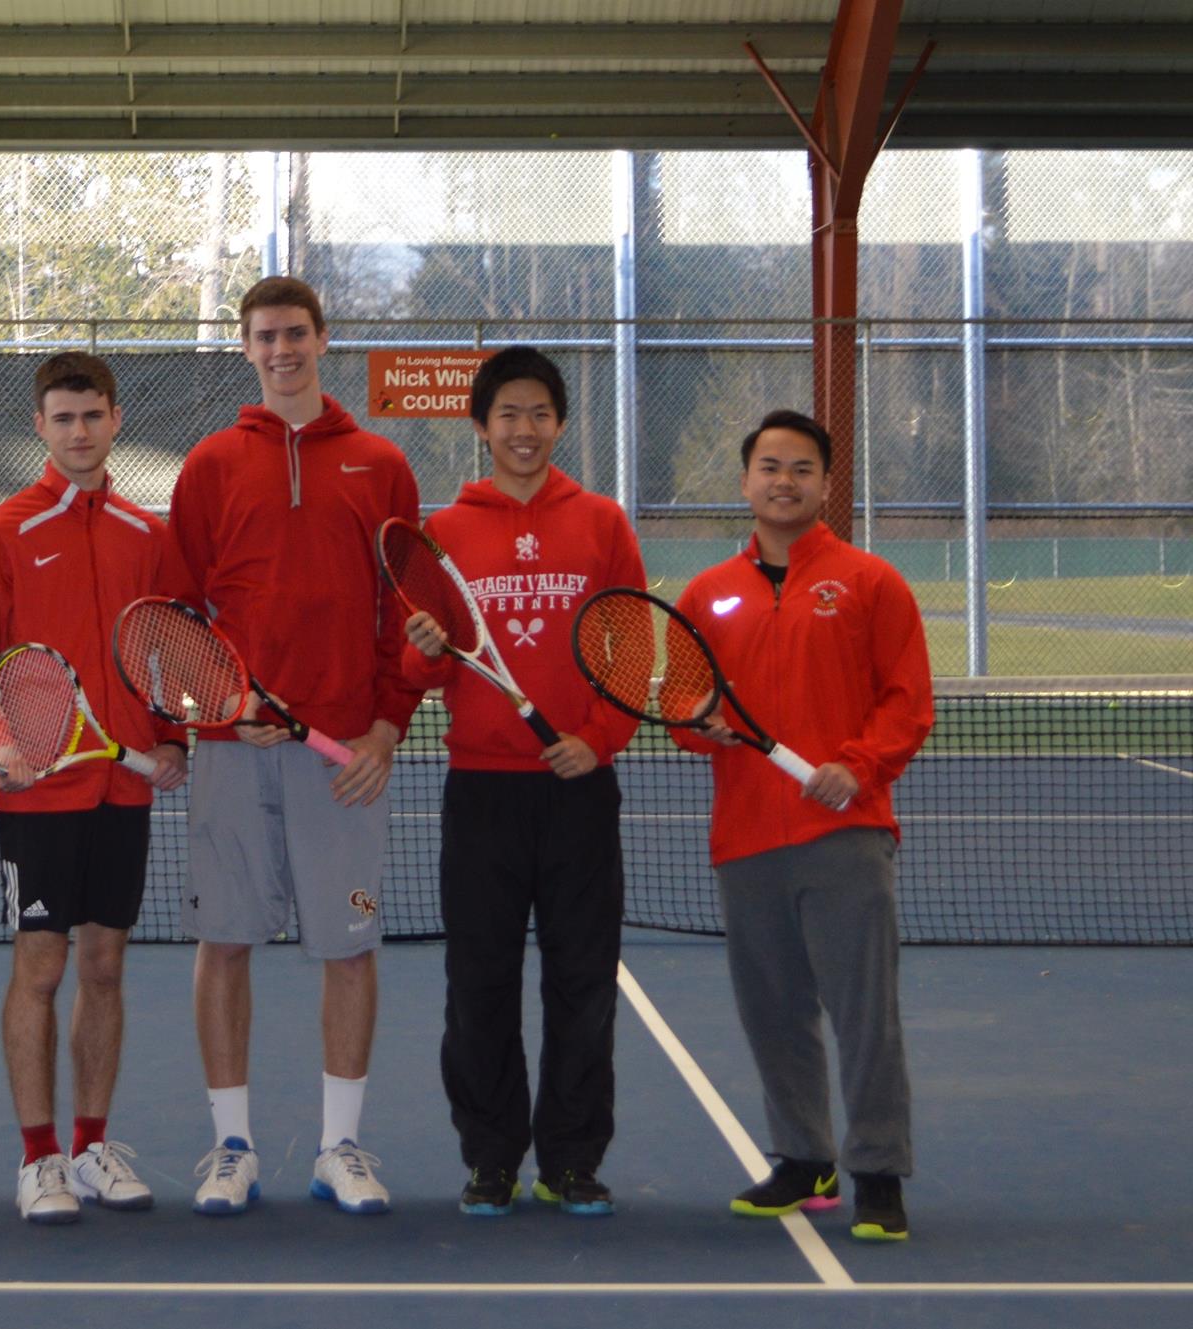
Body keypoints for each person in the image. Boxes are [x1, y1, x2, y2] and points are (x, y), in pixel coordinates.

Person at [166, 275, 424, 1216]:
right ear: (246, 346)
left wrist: (387, 727)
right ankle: (231, 1145)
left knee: (349, 949)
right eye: (265, 335)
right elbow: (172, 619)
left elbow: (407, 609)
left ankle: (339, 1147)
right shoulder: (207, 466)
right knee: (223, 940)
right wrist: (215, 708)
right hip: (234, 753)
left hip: (342, 757)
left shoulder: (381, 463)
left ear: (325, 340)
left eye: (296, 334)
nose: (282, 349)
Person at [672, 409, 932, 1243]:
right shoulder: (705, 594)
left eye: (802, 469)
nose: (784, 481)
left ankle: (879, 1171)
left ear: (826, 483)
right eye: (770, 467)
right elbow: (680, 705)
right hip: (745, 837)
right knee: (774, 1011)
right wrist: (697, 719)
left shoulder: (871, 582)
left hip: (844, 834)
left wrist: (858, 765)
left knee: (864, 1014)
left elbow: (907, 700)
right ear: (746, 480)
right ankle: (803, 1157)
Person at [0, 352, 190, 1225]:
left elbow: (166, 653)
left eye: (92, 416)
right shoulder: (4, 532)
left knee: (107, 963)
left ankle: (91, 1146)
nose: (79, 431)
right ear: (40, 426)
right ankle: (38, 1157)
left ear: (114, 420)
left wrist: (173, 739)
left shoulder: (145, 532)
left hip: (123, 793)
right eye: (63, 418)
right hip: (40, 793)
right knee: (40, 965)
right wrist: (2, 742)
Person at [400, 346, 646, 1219]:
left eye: (540, 412)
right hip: (482, 793)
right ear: (480, 426)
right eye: (508, 413)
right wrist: (420, 646)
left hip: (579, 789)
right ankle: (492, 1157)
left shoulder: (603, 522)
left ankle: (572, 1158)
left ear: (561, 423)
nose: (524, 429)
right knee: (479, 984)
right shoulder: (448, 530)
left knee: (583, 982)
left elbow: (635, 643)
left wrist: (599, 737)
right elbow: (422, 664)